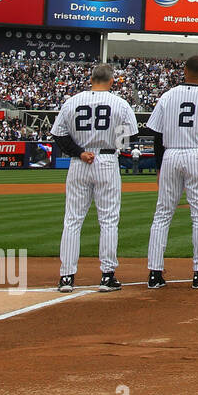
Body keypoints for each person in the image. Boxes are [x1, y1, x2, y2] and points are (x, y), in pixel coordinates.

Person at [145, 55, 198, 290]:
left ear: (184, 70)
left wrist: (159, 165)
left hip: (171, 153)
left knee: (163, 213)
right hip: (197, 154)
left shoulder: (167, 96)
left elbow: (157, 134)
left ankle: (154, 273)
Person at [50, 63, 139, 293]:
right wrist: (114, 146)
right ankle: (107, 276)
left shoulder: (72, 101)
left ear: (91, 79)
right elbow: (129, 137)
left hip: (79, 161)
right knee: (108, 220)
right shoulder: (119, 103)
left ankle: (66, 277)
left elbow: (58, 135)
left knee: (72, 220)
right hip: (107, 160)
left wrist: (79, 152)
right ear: (111, 81)